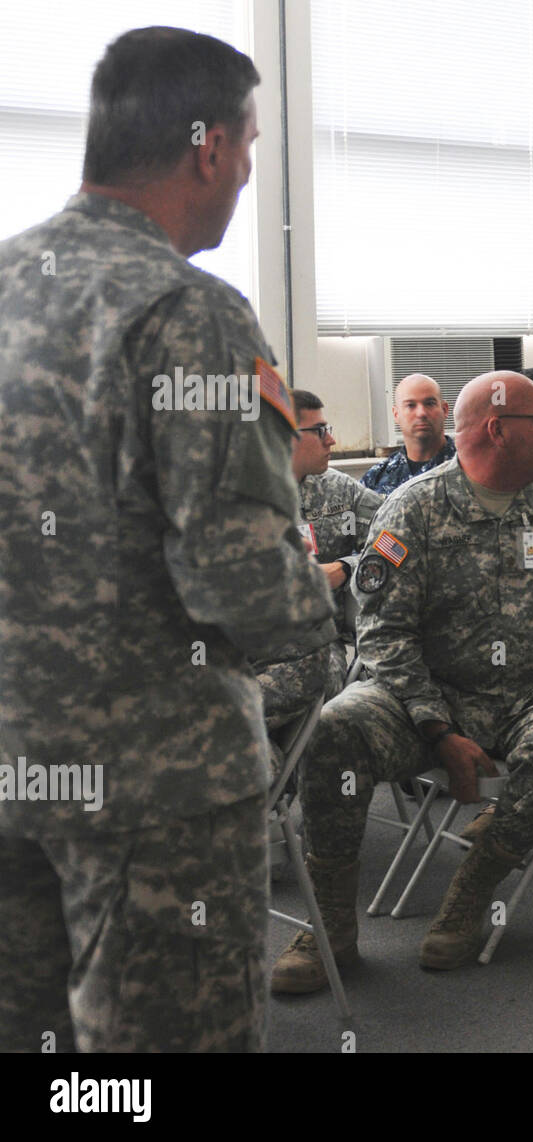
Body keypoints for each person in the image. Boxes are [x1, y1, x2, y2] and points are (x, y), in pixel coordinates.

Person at [0, 27, 335, 1052]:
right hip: (157, 788)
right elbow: (237, 580)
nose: (243, 172)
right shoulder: (192, 315)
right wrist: (320, 596)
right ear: (209, 148)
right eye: (248, 146)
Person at [270, 372, 533, 990]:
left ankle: (472, 889)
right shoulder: (413, 508)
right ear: (499, 430)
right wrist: (438, 728)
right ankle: (330, 925)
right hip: (426, 696)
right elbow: (383, 635)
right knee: (335, 728)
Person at [254, 390, 384, 741]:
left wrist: (345, 567)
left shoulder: (341, 491)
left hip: (318, 644)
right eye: (321, 430)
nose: (332, 440)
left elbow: (397, 542)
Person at [360, 373, 456, 495]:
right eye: (411, 405)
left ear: (445, 410)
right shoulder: (375, 478)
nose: (421, 413)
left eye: (430, 403)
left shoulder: (470, 468)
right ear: (396, 415)